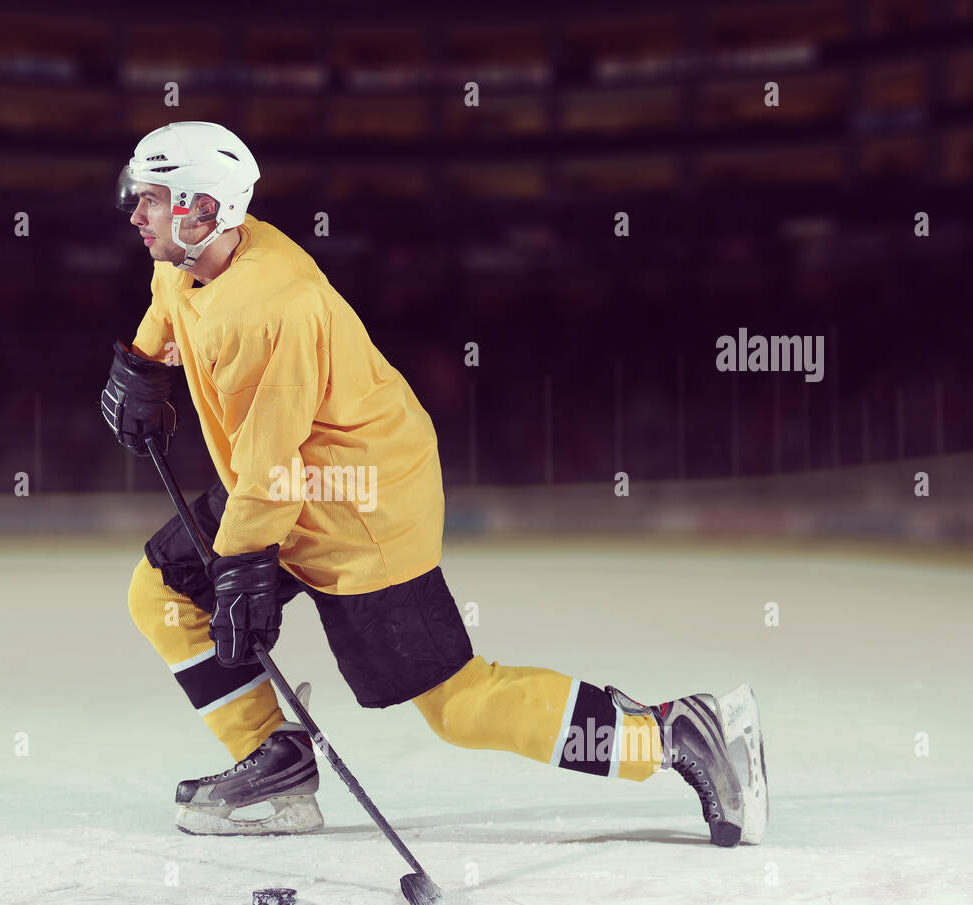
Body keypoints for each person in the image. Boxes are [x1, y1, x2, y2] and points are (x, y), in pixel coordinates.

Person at [103, 121, 768, 845]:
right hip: (287, 482)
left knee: (459, 704)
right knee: (162, 590)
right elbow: (174, 311)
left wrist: (242, 566)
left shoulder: (275, 307)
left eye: (152, 199)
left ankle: (674, 736)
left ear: (203, 210)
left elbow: (269, 469)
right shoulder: (192, 258)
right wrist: (143, 365)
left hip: (363, 507)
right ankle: (273, 759)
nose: (136, 213)